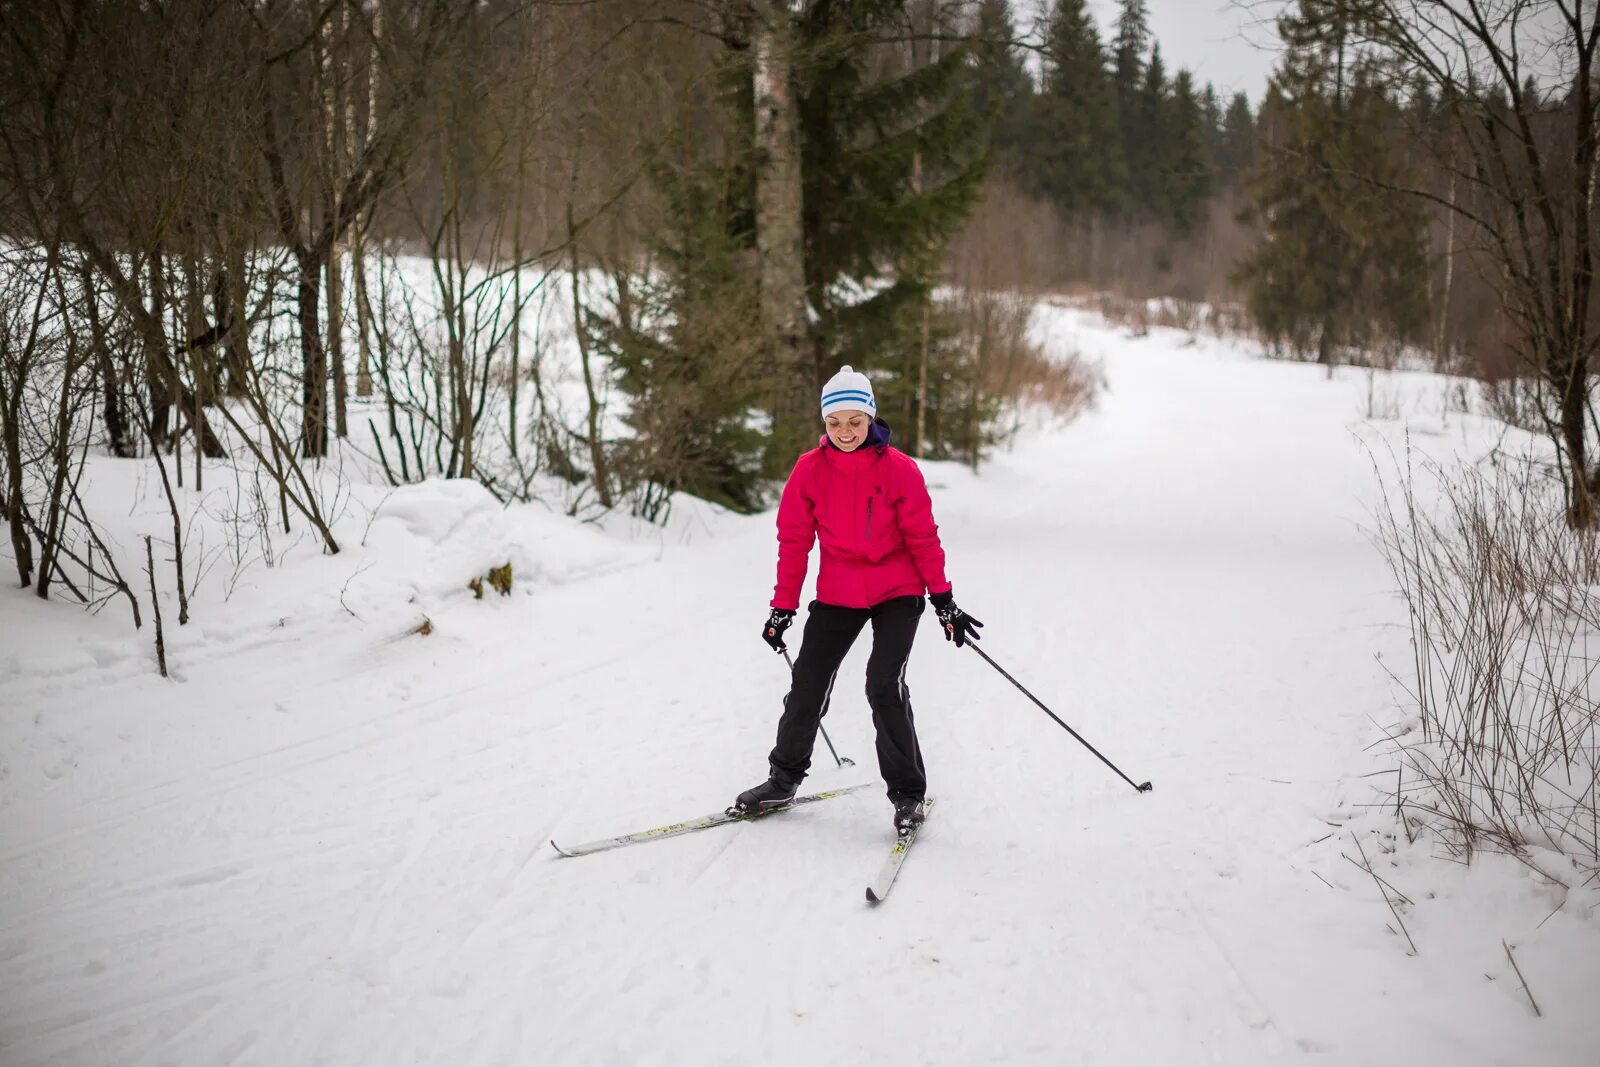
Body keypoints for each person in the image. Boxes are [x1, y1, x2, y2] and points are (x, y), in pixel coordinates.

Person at [733, 365, 983, 834]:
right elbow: (793, 542)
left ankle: (908, 795)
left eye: (854, 421)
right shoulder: (809, 470)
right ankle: (782, 780)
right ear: (824, 423)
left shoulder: (899, 470)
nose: (845, 432)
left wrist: (944, 600)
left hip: (898, 589)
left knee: (883, 685)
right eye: (834, 422)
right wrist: (782, 607)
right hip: (839, 592)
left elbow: (923, 538)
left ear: (870, 418)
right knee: (807, 684)